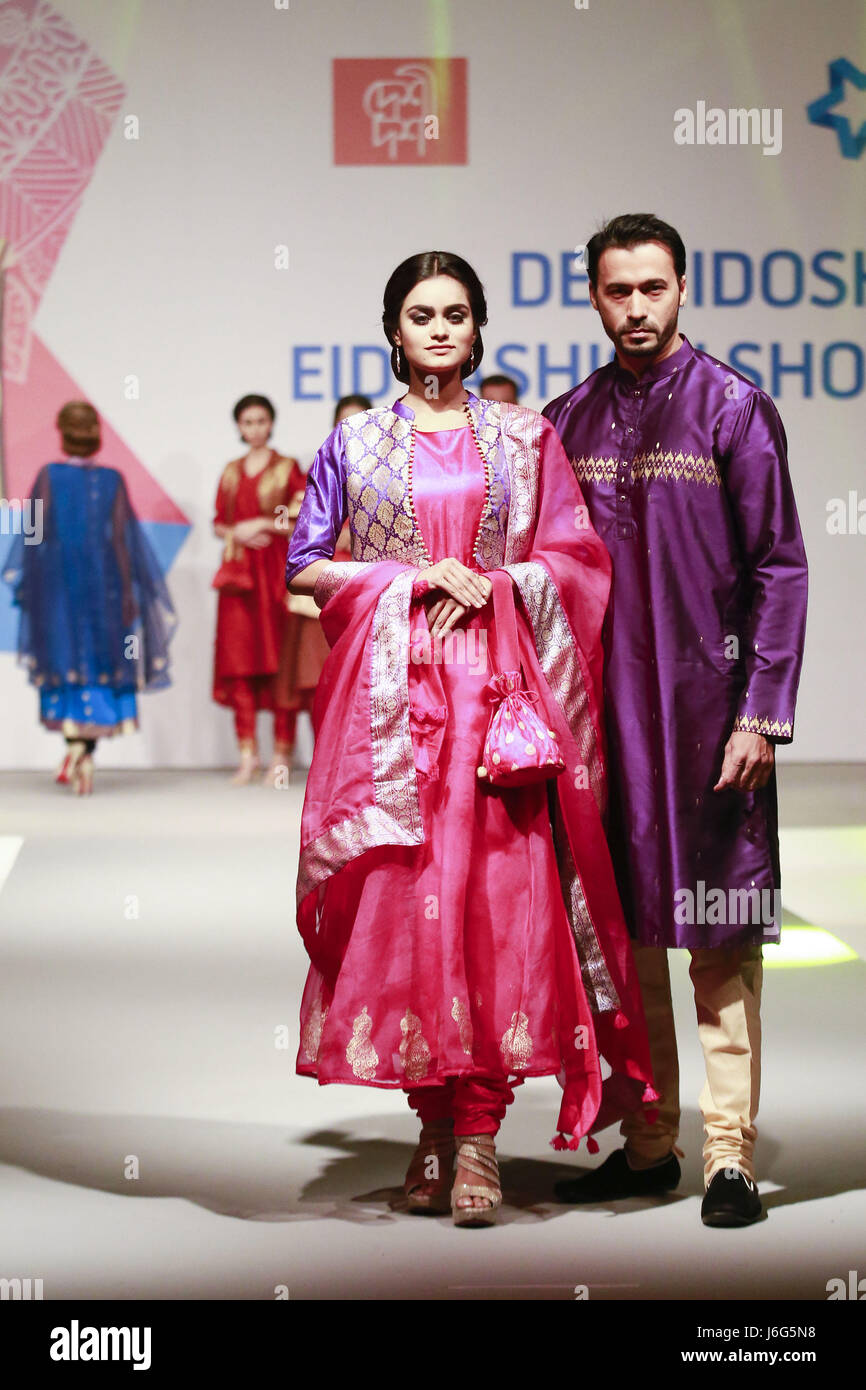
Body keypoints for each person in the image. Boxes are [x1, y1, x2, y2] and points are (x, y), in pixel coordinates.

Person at [286, 251, 657, 1227]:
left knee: (495, 908)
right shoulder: (355, 447)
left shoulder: (524, 439)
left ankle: (482, 1131)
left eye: (455, 313)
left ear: (478, 327)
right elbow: (305, 570)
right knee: (411, 908)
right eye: (420, 314)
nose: (439, 329)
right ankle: (431, 1123)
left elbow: (575, 562)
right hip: (395, 714)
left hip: (498, 710)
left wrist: (494, 584)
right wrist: (406, 580)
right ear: (393, 331)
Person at [543, 214, 808, 1227]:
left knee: (718, 931)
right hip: (600, 723)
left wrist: (760, 714)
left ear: (682, 288)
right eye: (617, 290)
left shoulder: (733, 410)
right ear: (594, 297)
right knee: (623, 933)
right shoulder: (566, 420)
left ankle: (728, 1156)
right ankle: (648, 1140)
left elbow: (778, 566)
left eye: (652, 288)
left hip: (710, 719)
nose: (636, 307)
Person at [2, 401, 176, 794]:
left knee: (66, 660)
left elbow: (33, 532)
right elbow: (121, 540)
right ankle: (86, 752)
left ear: (62, 433)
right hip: (105, 588)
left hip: (59, 587)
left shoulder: (48, 476)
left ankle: (74, 746)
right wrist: (128, 590)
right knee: (101, 661)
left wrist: (31, 578)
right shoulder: (112, 479)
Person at [212, 395, 305, 784]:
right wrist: (236, 531)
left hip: (275, 575)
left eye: (261, 420)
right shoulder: (231, 471)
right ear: (239, 427)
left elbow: (301, 515)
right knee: (240, 663)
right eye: (247, 422)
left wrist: (263, 525)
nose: (254, 428)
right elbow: (219, 522)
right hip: (239, 580)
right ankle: (248, 753)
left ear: (271, 424)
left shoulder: (287, 468)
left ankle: (281, 755)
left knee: (281, 663)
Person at [278, 396, 373, 737]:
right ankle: (327, 754)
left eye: (362, 419)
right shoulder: (325, 467)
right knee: (321, 674)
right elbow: (300, 525)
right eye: (345, 421)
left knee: (367, 678)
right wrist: (341, 536)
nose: (353, 428)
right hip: (326, 588)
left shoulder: (392, 467)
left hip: (374, 590)